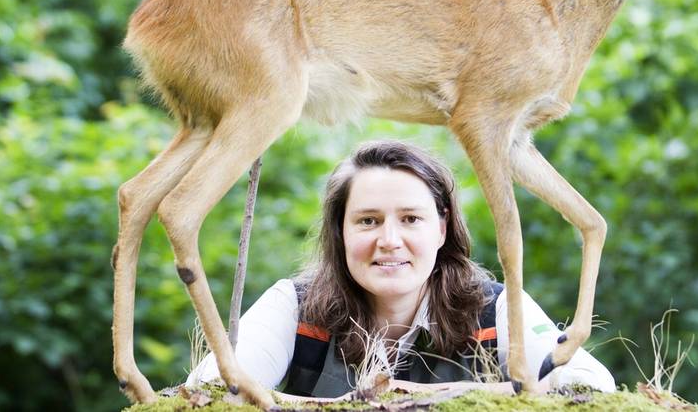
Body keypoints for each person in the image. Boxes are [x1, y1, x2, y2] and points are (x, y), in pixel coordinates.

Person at [188, 140, 615, 400]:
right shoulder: (294, 308)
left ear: (442, 227)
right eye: (368, 220)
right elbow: (210, 392)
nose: (389, 240)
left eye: (410, 219)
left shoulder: (496, 309)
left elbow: (588, 386)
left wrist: (409, 395)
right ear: (340, 230)